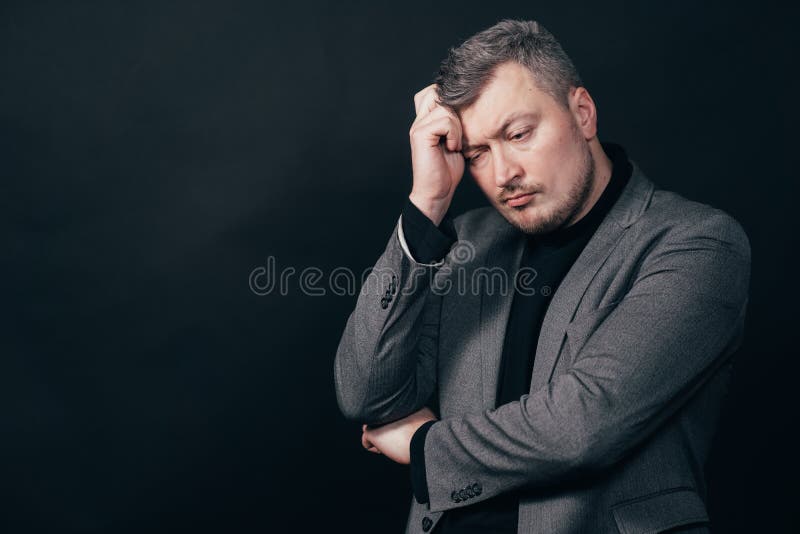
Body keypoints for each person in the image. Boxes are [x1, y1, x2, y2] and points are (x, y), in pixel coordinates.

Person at [333, 19, 750, 534]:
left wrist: (424, 447)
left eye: (519, 134)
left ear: (582, 112)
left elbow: (585, 424)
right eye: (478, 153)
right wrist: (428, 207)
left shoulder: (696, 242)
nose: (503, 172)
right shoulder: (467, 241)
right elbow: (366, 394)